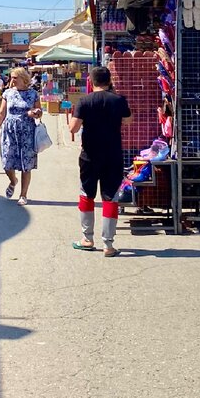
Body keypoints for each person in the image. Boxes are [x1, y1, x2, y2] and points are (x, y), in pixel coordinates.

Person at [68, 65, 132, 257]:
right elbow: (128, 120)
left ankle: (87, 239)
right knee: (110, 197)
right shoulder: (119, 100)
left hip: (89, 155)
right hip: (113, 155)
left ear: (91, 81)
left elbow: (73, 128)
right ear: (109, 80)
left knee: (86, 195)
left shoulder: (84, 101)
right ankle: (108, 244)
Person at [0, 67, 42, 205]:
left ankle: (23, 195)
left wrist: (35, 112)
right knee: (7, 162)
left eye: (15, 77)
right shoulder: (7, 93)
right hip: (9, 131)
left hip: (27, 131)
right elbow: (2, 113)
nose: (12, 80)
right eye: (11, 77)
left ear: (23, 78)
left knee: (26, 164)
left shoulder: (33, 94)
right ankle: (13, 181)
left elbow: (39, 112)